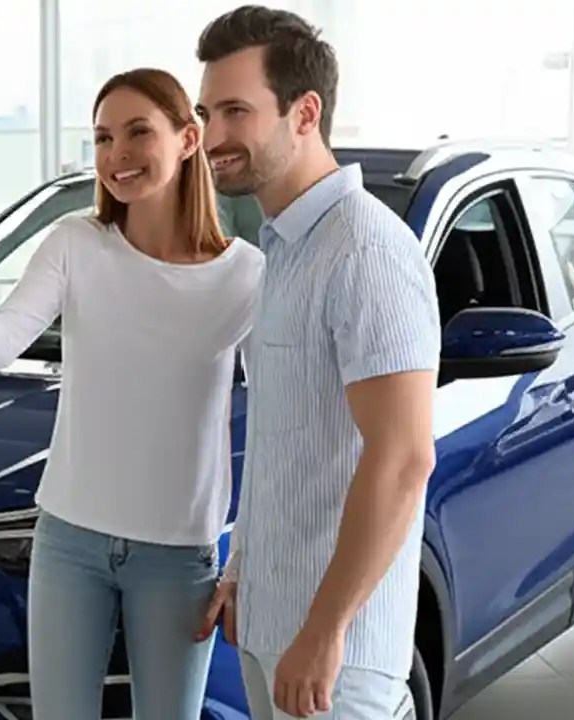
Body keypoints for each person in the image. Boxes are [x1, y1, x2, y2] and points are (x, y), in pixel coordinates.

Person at [0, 68, 265, 719]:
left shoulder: (246, 276)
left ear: (188, 139)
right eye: (102, 138)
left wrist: (243, 561)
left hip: (179, 554)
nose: (116, 155)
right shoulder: (76, 242)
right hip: (69, 540)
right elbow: (3, 338)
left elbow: (274, 425)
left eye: (137, 133)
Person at [194, 6, 439, 719]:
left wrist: (326, 631)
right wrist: (246, 570)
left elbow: (402, 458)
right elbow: (288, 440)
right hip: (275, 628)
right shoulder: (284, 248)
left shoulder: (365, 250)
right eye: (207, 112)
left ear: (305, 113)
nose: (212, 138)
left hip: (337, 655)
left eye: (236, 111)